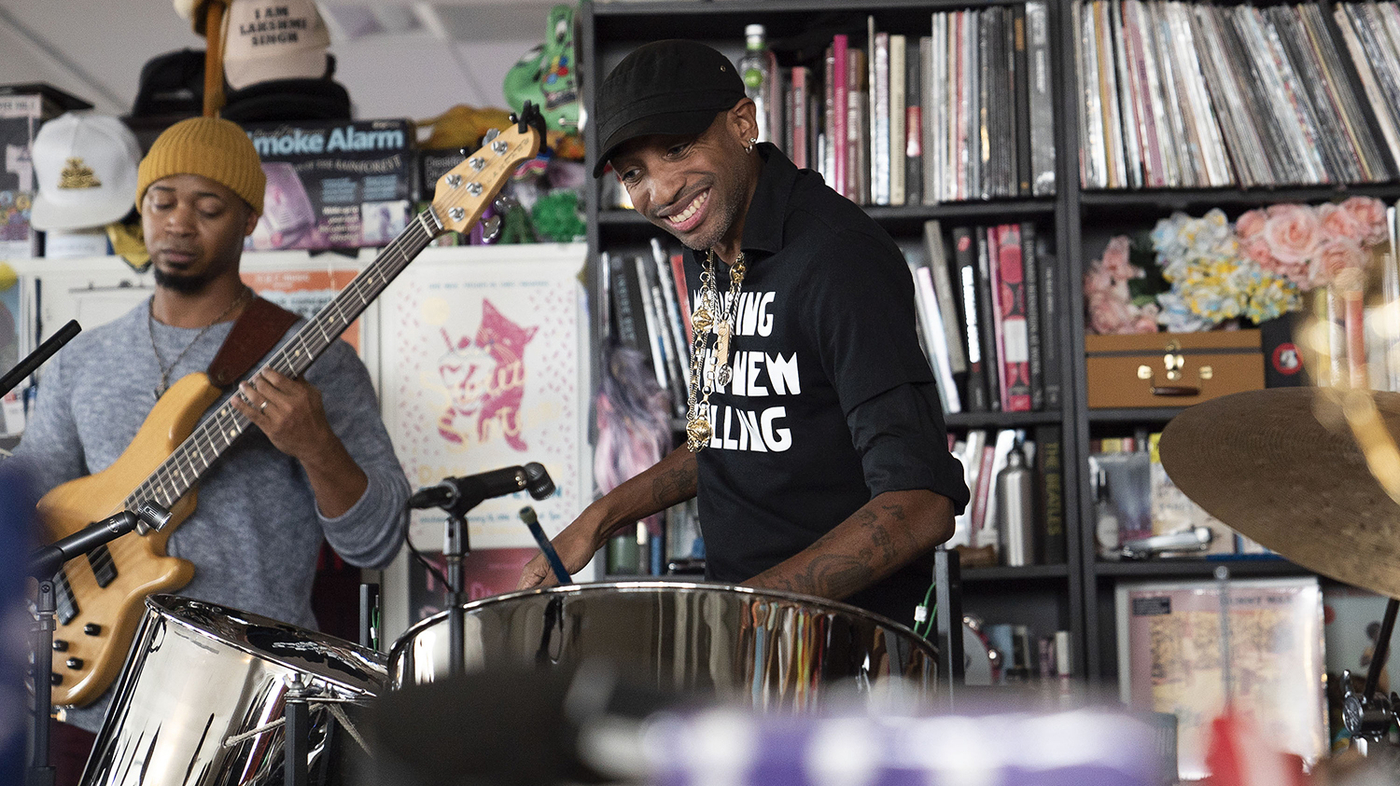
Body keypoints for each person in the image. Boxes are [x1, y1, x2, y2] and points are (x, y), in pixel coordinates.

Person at [8, 116, 409, 773]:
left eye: (209, 206)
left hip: (250, 708)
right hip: (90, 704)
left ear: (250, 220)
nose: (179, 222)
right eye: (162, 201)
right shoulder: (85, 360)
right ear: (140, 209)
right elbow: (26, 503)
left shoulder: (318, 362)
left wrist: (316, 445)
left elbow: (377, 538)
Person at [520, 40, 969, 624]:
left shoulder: (836, 259)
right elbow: (723, 439)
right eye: (635, 174)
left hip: (846, 650)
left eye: (677, 149)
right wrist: (595, 523)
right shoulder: (709, 245)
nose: (661, 192)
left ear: (742, 123)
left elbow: (922, 503)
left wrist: (744, 612)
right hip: (750, 633)